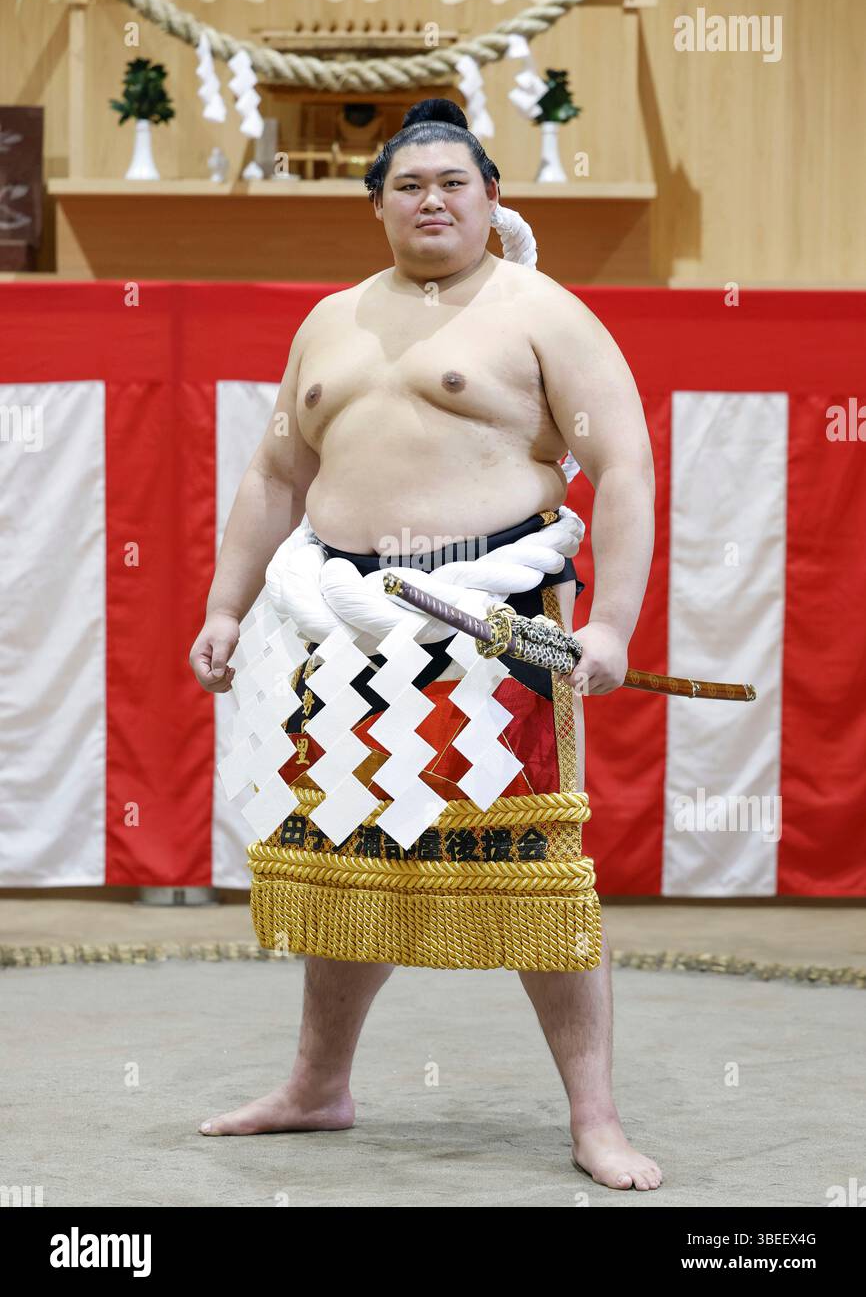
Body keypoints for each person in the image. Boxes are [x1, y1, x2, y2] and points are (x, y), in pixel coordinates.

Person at [189, 97, 661, 1190]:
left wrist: (613, 623)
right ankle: (318, 1084)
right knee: (349, 850)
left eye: (454, 182)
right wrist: (224, 605)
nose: (432, 199)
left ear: (492, 199)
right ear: (378, 208)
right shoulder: (329, 322)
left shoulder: (541, 311)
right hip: (341, 630)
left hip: (495, 629)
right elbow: (274, 475)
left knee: (537, 871)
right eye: (409, 185)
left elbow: (624, 466)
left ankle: (594, 1116)